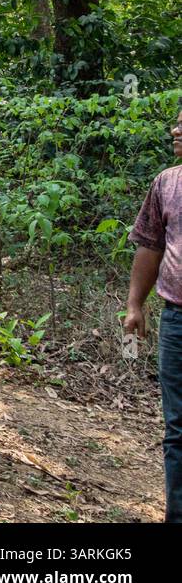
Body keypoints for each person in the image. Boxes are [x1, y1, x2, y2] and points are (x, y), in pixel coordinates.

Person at [124, 107, 182, 522]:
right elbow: (150, 245)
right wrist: (135, 303)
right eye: (176, 121)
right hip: (177, 318)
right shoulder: (167, 182)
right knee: (177, 428)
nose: (175, 129)